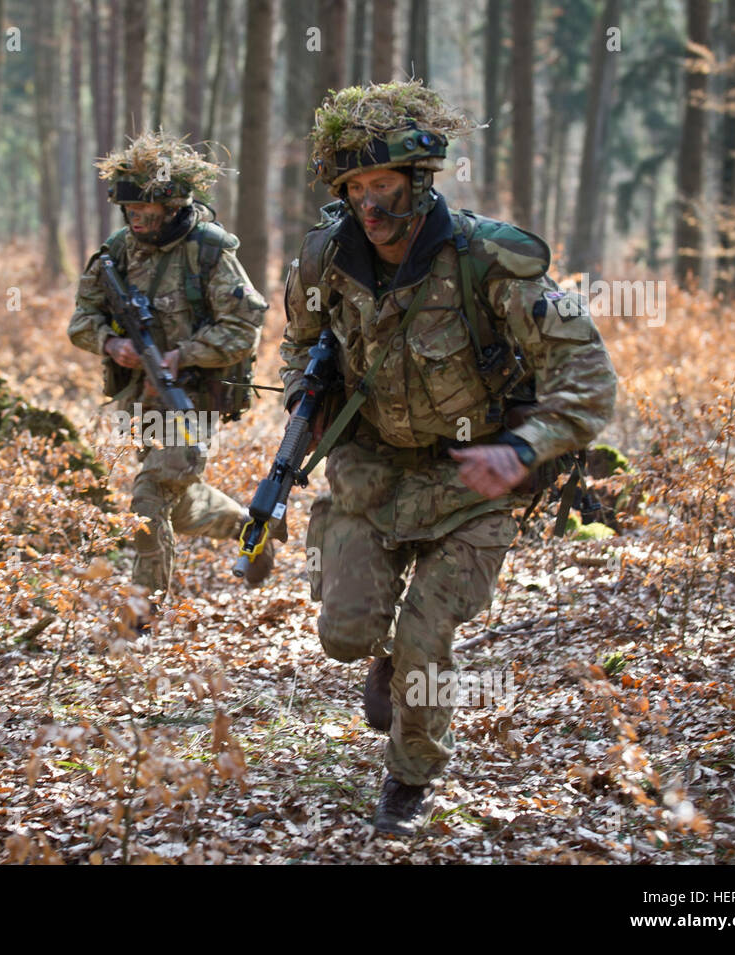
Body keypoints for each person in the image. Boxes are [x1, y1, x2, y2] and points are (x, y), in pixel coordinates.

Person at [279, 82, 618, 835]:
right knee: (343, 634)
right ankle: (384, 659)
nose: (370, 205)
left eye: (385, 186)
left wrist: (524, 449)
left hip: (472, 483)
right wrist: (308, 389)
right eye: (356, 188)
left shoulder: (491, 260)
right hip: (369, 477)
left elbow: (588, 378)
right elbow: (299, 342)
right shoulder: (323, 260)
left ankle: (409, 778)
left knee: (427, 638)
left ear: (420, 181)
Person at [68, 132, 274, 603]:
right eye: (131, 214)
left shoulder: (208, 252)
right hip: (141, 397)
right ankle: (247, 527)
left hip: (195, 397)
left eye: (149, 215)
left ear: (175, 208)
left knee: (149, 496)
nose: (138, 222)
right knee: (174, 505)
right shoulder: (117, 253)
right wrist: (111, 342)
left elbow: (245, 327)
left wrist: (185, 354)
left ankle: (142, 613)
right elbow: (80, 321)